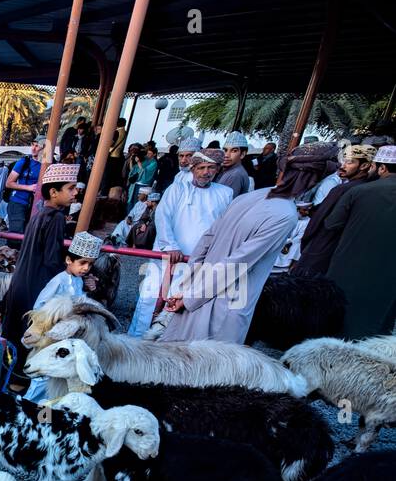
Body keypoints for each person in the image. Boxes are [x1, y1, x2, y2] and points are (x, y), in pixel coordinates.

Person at [160, 142, 336, 343]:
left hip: (198, 290)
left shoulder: (251, 197)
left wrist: (188, 287)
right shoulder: (286, 214)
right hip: (225, 304)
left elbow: (206, 241)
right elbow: (237, 263)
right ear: (314, 180)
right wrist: (190, 298)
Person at [125, 150, 233, 337]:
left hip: (197, 260)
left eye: (211, 168)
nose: (206, 172)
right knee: (150, 299)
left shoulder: (225, 193)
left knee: (179, 302)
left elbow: (223, 226)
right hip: (168, 254)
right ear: (192, 169)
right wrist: (171, 246)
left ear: (217, 169)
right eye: (201, 168)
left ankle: (165, 345)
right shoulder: (177, 189)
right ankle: (136, 341)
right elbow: (162, 217)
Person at [0, 162, 80, 391]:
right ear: (54, 191)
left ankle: (3, 381)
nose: (75, 193)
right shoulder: (57, 218)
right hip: (37, 285)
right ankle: (19, 384)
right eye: (70, 188)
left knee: (12, 332)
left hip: (21, 281)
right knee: (30, 335)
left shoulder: (40, 213)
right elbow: (51, 261)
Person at [320, 144, 396, 337]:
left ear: (382, 168)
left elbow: (331, 224)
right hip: (389, 277)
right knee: (374, 325)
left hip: (347, 267)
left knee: (335, 321)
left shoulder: (358, 192)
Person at [26, 232, 105, 401]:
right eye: (82, 263)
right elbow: (39, 307)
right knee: (41, 380)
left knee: (56, 381)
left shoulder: (78, 280)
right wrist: (58, 315)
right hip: (50, 337)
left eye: (90, 264)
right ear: (69, 260)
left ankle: (46, 416)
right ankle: (28, 410)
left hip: (65, 339)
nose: (86, 268)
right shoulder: (58, 281)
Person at [294, 143, 376, 277]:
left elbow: (318, 221)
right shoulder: (368, 188)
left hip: (319, 250)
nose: (342, 166)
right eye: (343, 162)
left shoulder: (342, 189)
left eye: (349, 162)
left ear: (364, 166)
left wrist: (306, 245)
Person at [3, 138, 45, 234]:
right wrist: (29, 188)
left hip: (36, 205)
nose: (33, 148)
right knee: (16, 236)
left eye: (37, 146)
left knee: (29, 235)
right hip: (18, 202)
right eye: (33, 145)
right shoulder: (24, 162)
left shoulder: (47, 164)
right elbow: (8, 183)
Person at [215, 131, 254, 198]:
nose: (226, 155)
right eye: (225, 150)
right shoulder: (228, 169)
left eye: (234, 151)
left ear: (242, 154)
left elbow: (222, 203)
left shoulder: (235, 175)